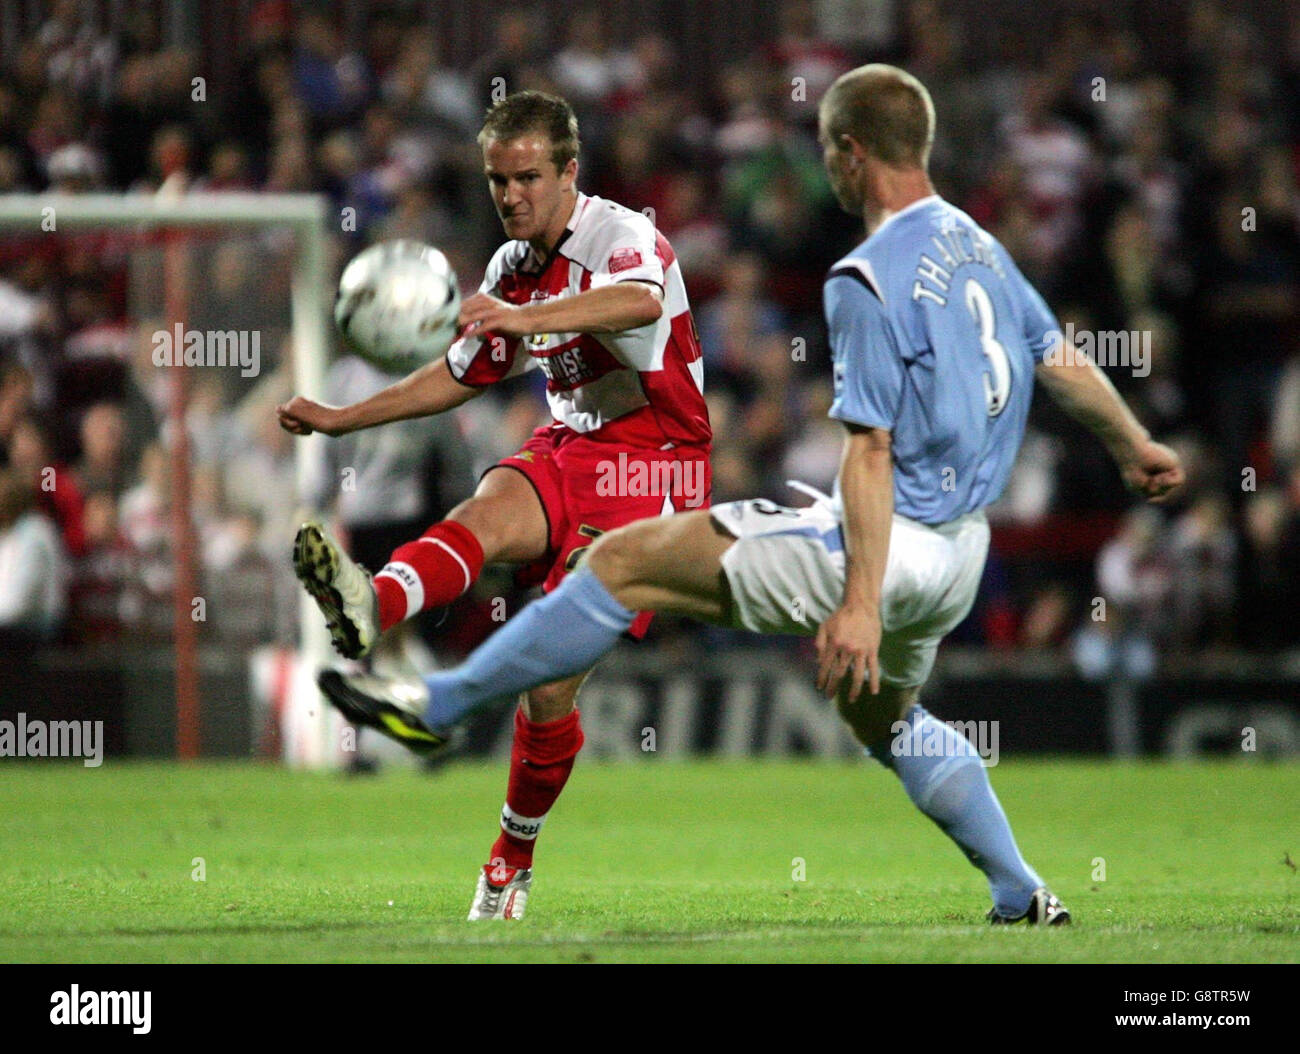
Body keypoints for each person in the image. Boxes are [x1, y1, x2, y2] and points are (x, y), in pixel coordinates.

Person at [318, 65, 1186, 925]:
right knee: (887, 722)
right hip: (962, 549)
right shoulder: (978, 245)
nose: (822, 173)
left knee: (620, 563)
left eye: (825, 154)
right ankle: (1021, 893)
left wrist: (856, 601)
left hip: (875, 543)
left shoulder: (864, 276)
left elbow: (870, 453)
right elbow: (1056, 355)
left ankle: (437, 704)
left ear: (851, 154)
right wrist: (1134, 442)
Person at [277, 90, 711, 920]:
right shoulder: (511, 266)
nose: (511, 196)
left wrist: (523, 317)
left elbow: (639, 304)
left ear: (569, 172)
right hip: (572, 445)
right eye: (496, 180)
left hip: (656, 469)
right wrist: (341, 418)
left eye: (528, 177)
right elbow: (459, 374)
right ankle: (375, 601)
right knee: (482, 513)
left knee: (548, 689)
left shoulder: (620, 237)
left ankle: (511, 858)